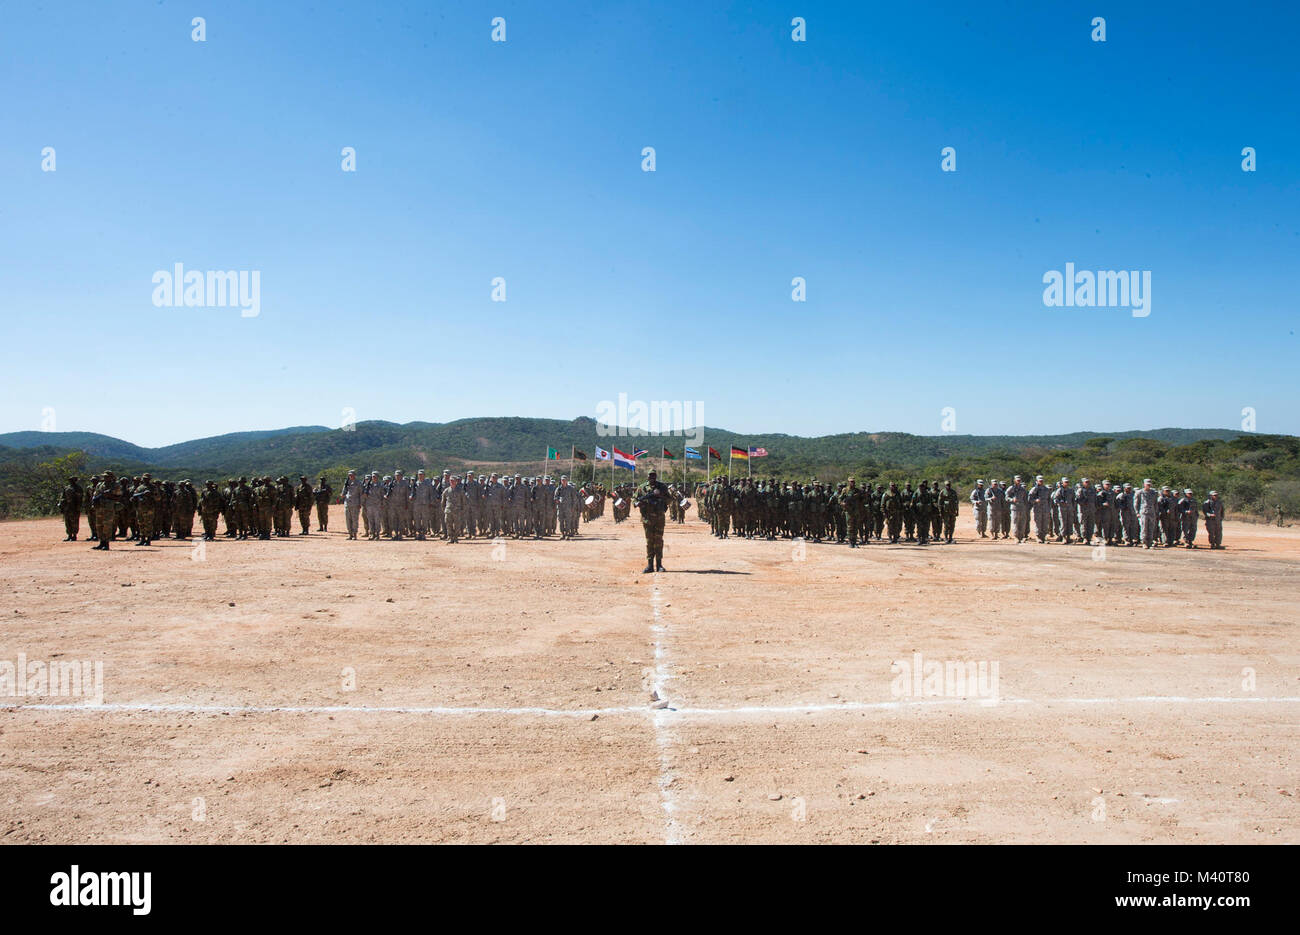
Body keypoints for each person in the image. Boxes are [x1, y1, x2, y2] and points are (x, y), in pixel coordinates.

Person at [634, 470, 671, 572]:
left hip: (659, 518)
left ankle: (659, 565)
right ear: (647, 477)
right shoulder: (642, 488)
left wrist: (661, 496)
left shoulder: (662, 487)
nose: (652, 478)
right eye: (650, 476)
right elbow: (635, 498)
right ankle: (650, 565)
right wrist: (638, 503)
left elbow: (669, 500)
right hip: (647, 519)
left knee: (658, 541)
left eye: (654, 476)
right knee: (649, 542)